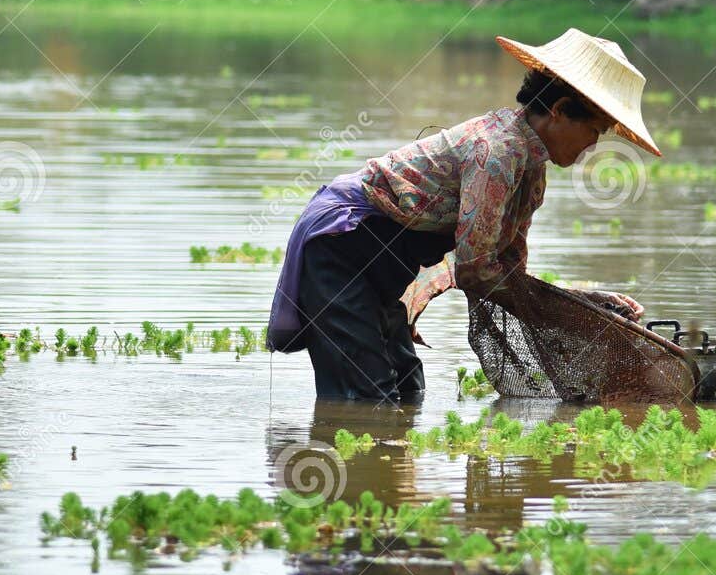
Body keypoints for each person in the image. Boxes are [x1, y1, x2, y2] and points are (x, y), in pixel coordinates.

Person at [266, 28, 662, 402]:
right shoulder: (498, 152)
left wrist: (588, 305)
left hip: (380, 263)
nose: (593, 144)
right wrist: (574, 314)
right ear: (559, 110)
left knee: (408, 389)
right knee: (365, 398)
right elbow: (475, 270)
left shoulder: (530, 172)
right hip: (342, 246)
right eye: (595, 129)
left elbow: (508, 275)